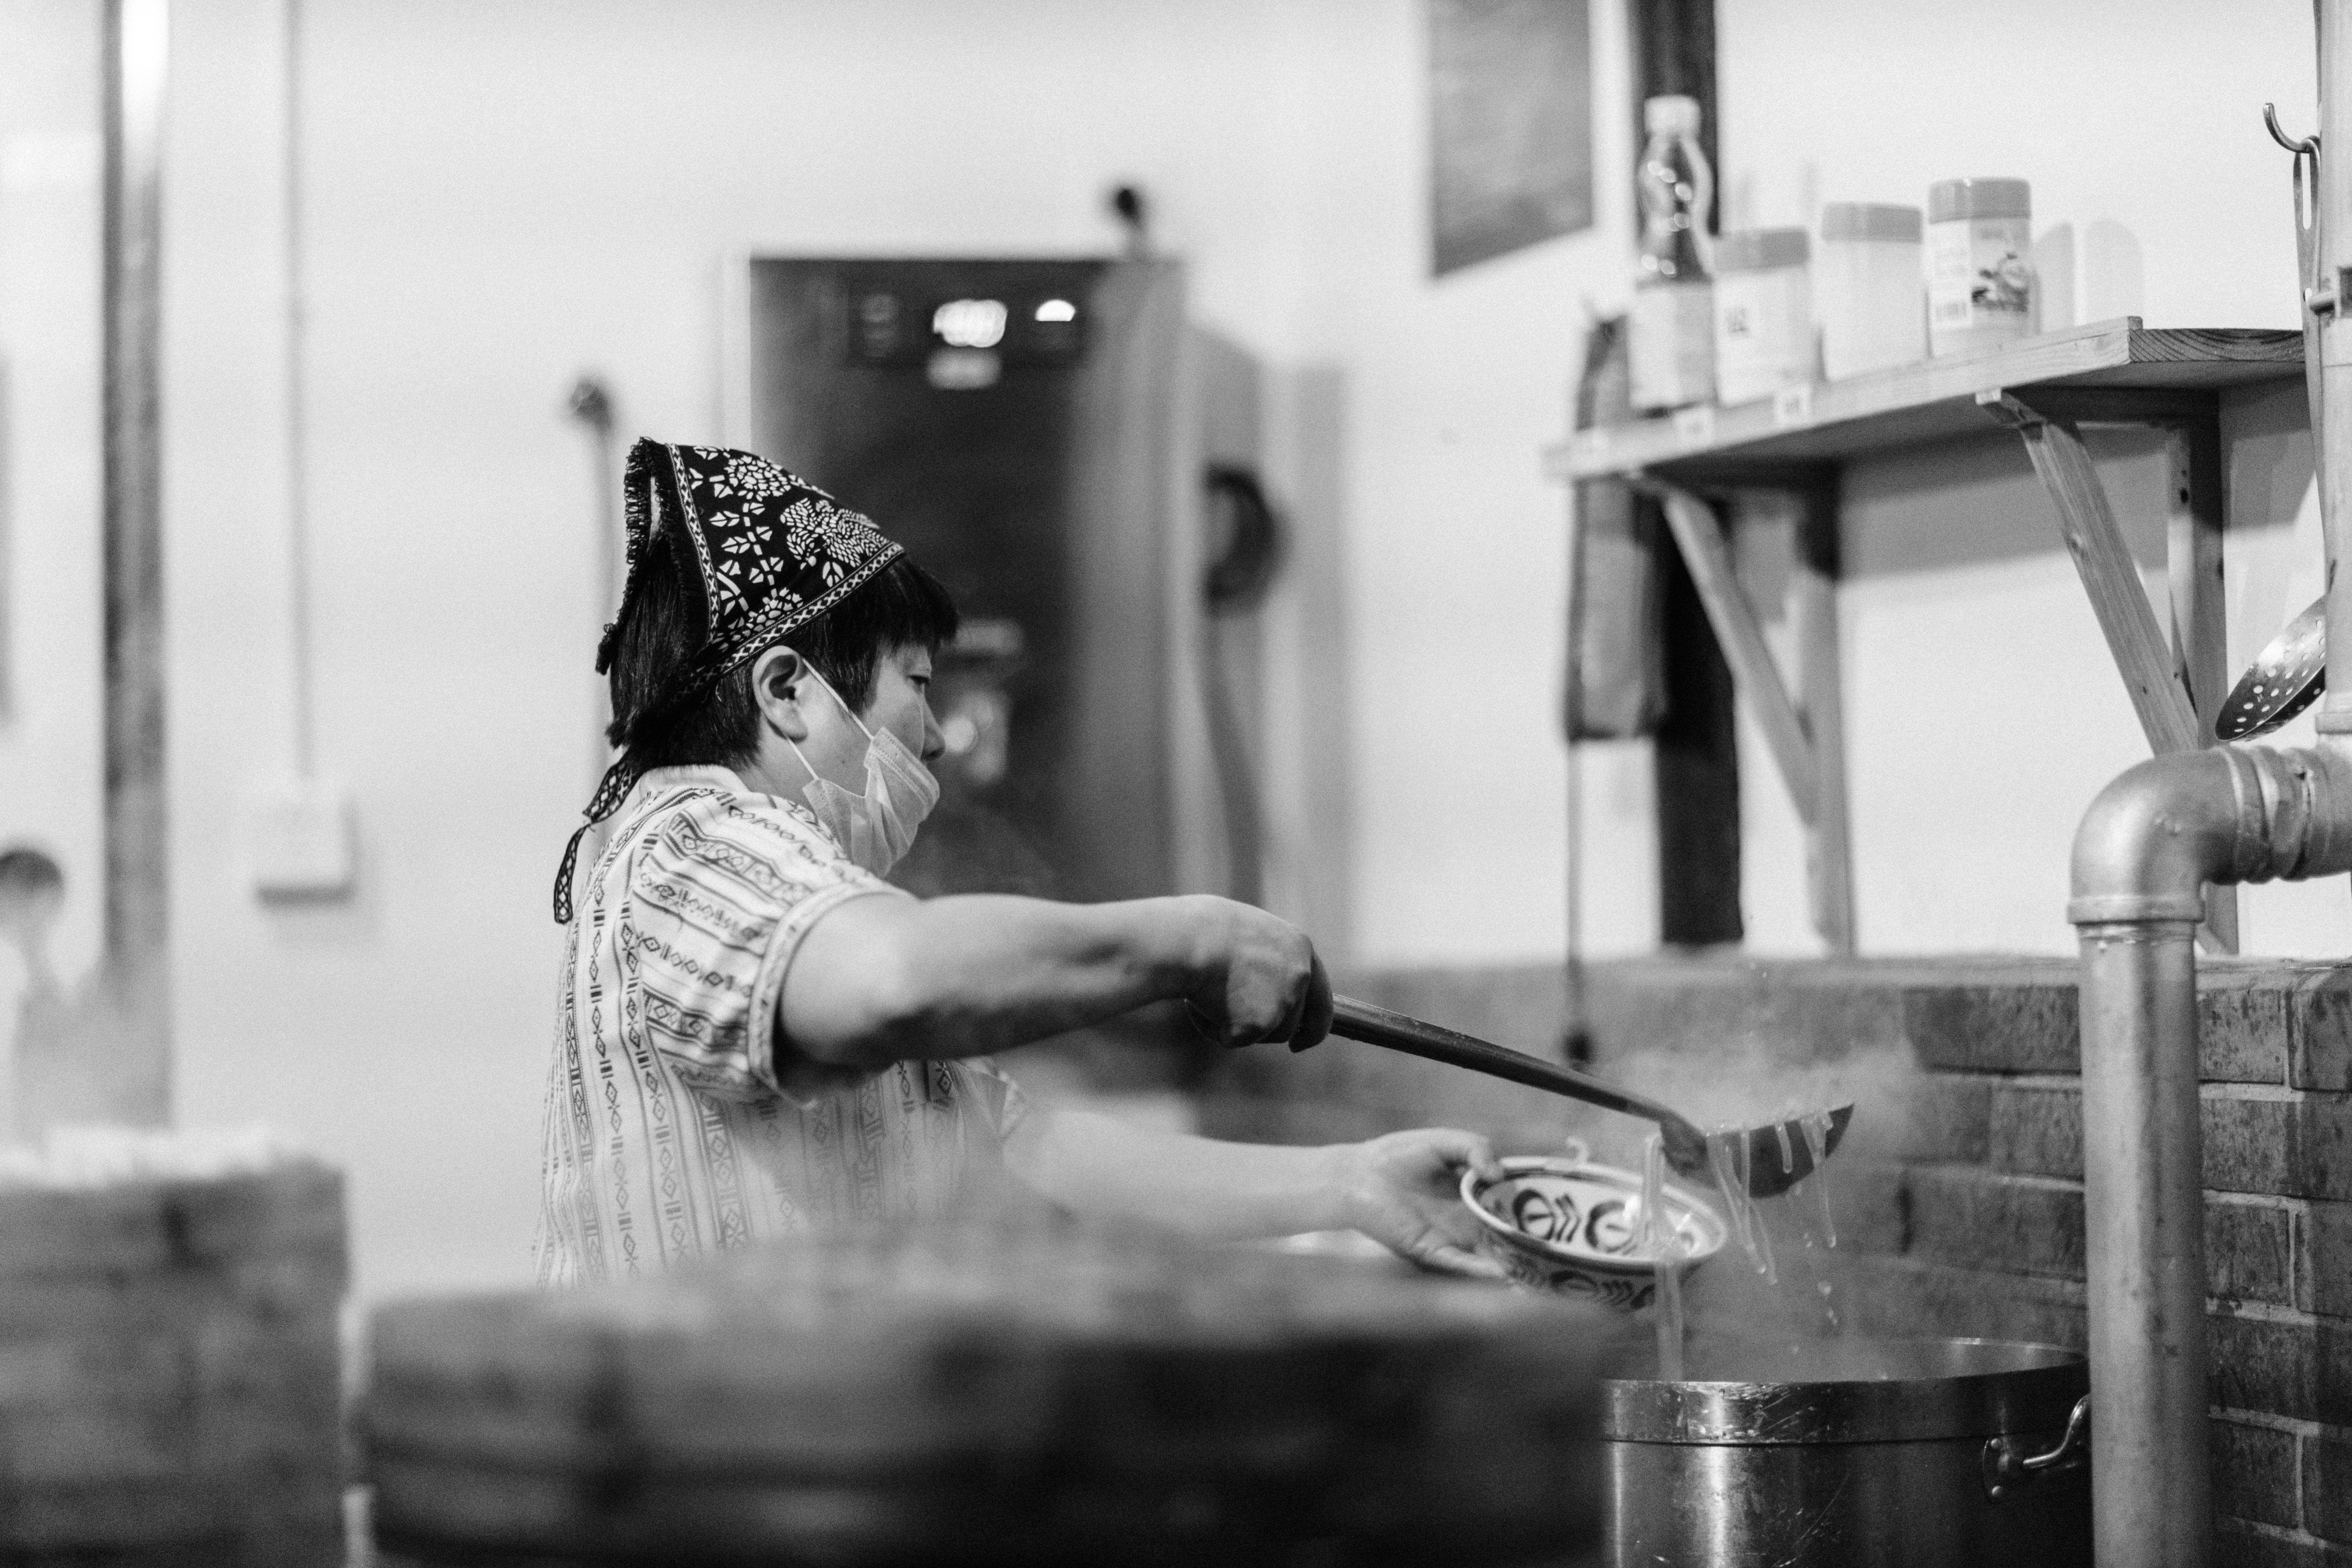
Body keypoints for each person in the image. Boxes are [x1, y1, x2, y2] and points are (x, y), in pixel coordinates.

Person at [536, 439, 1504, 1285]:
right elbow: (900, 976)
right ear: (788, 691)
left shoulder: (816, 894)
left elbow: (1033, 1151)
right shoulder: (693, 842)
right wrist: (1196, 938)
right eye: (917, 683)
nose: (940, 738)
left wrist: (1351, 1180)